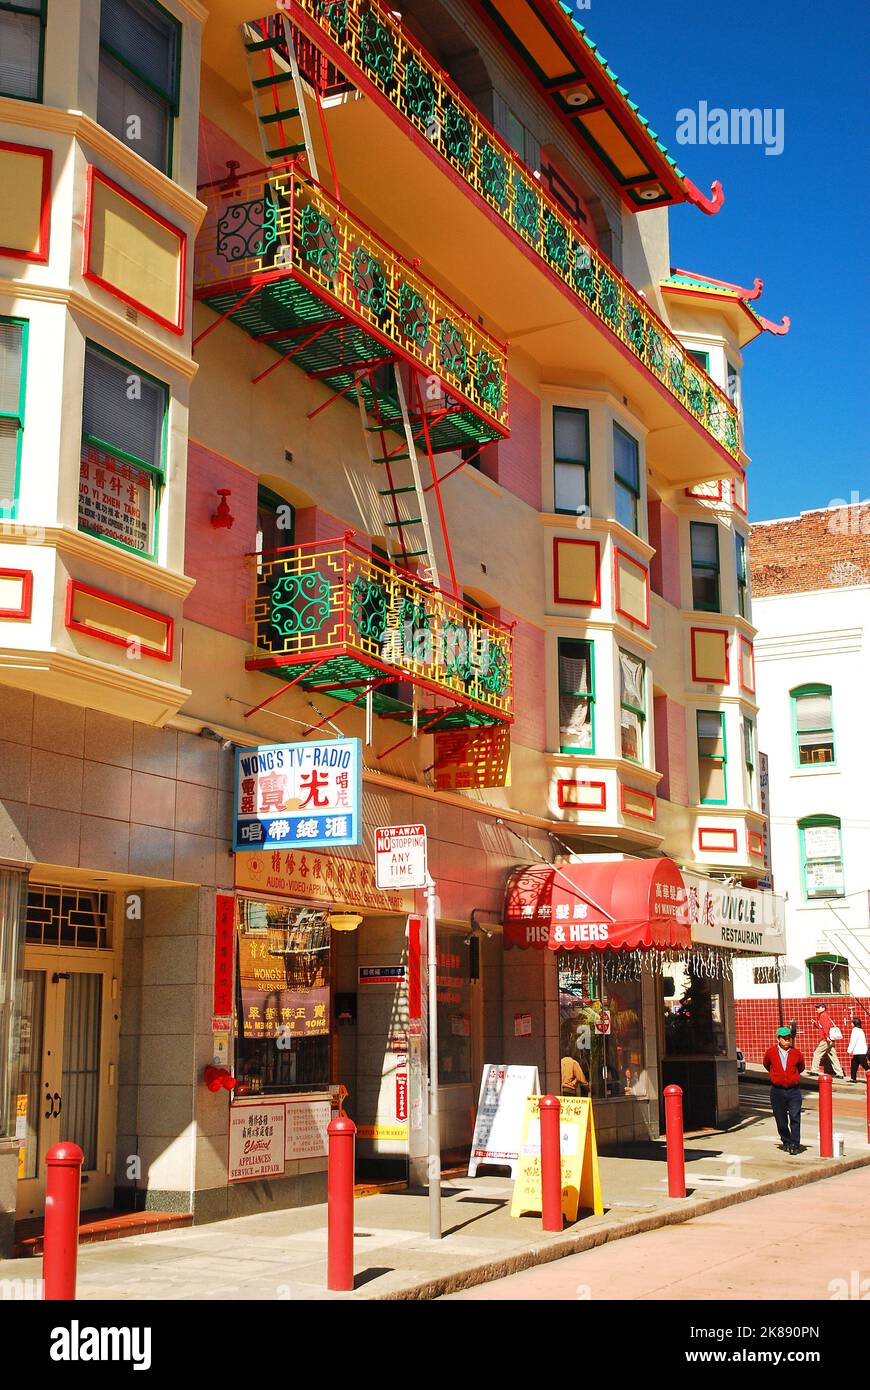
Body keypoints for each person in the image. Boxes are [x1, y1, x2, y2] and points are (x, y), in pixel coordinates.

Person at [762, 1025, 805, 1154]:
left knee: (795, 1117)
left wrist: (791, 1076)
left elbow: (801, 1067)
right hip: (777, 1091)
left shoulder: (796, 1053)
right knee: (781, 1120)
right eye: (785, 1038)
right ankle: (786, 1141)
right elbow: (766, 1064)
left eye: (789, 1038)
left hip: (793, 1091)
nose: (788, 1040)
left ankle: (795, 1144)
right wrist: (776, 1075)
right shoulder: (771, 1052)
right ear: (778, 1039)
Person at [809, 1002, 845, 1078]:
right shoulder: (825, 1015)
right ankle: (840, 1073)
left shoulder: (823, 1016)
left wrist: (827, 1037)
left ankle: (814, 1070)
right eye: (816, 1008)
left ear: (823, 1008)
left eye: (818, 1007)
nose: (817, 1009)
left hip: (825, 1039)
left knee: (817, 1053)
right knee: (833, 1055)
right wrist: (815, 1023)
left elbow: (826, 1027)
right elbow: (821, 1027)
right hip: (829, 1039)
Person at [847, 1016, 869, 1083]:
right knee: (854, 1064)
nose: (851, 1024)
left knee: (865, 1066)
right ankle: (853, 1078)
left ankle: (853, 1078)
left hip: (860, 1052)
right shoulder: (860, 1030)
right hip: (859, 1052)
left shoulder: (855, 1031)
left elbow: (853, 1041)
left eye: (851, 1023)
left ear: (854, 1023)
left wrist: (849, 1050)